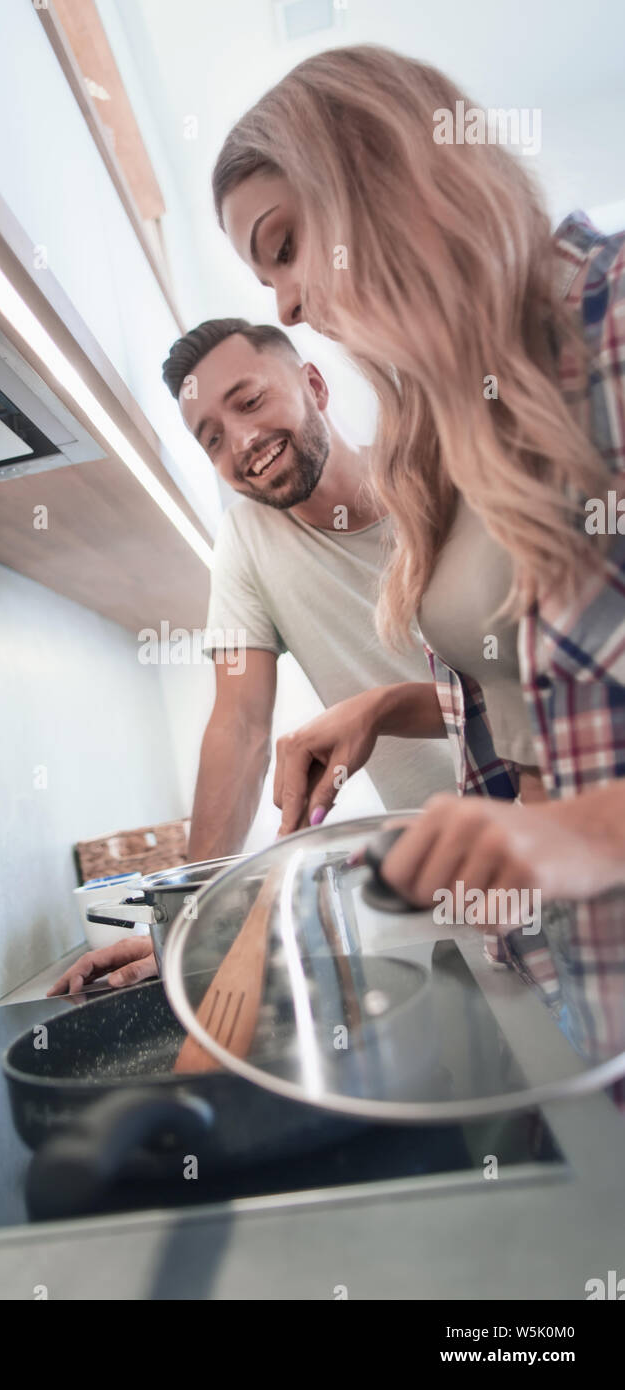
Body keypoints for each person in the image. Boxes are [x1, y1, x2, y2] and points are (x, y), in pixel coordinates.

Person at [210, 44, 625, 916]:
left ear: (382, 174)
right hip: (577, 967)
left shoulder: (610, 312)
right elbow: (522, 684)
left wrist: (578, 835)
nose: (284, 303)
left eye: (284, 246)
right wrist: (388, 706)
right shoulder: (441, 432)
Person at [48, 317, 455, 995]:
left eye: (249, 401)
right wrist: (188, 925)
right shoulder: (245, 541)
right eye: (211, 436)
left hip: (569, 828)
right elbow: (239, 726)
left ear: (314, 386)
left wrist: (380, 707)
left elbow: (526, 687)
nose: (240, 442)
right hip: (446, 886)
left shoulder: (439, 478)